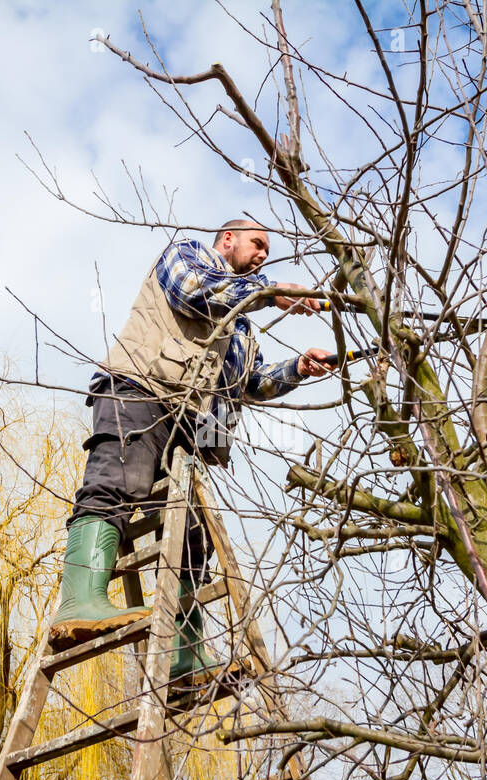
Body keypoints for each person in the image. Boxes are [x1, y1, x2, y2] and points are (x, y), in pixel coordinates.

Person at [50, 219, 333, 683]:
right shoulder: (187, 255)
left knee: (192, 539)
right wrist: (268, 291)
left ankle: (185, 657)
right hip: (139, 392)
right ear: (229, 240)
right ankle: (78, 601)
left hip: (190, 430)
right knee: (116, 484)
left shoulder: (240, 326)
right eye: (257, 243)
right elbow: (196, 293)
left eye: (267, 249)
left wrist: (298, 367)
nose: (263, 253)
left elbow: (251, 383)